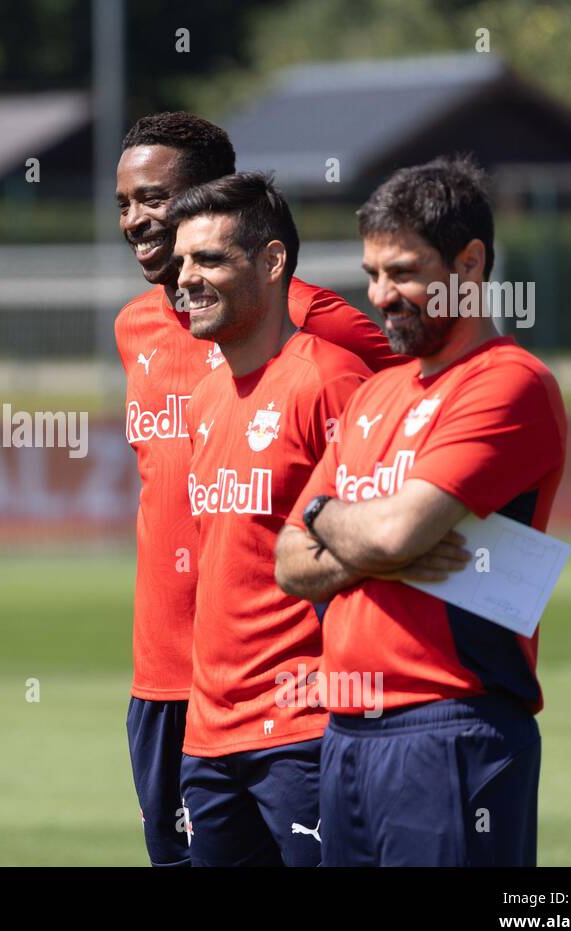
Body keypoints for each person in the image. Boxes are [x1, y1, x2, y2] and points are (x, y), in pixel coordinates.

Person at [113, 112, 405, 866]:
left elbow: (413, 420)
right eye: (125, 203)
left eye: (157, 198)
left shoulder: (319, 331)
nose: (141, 220)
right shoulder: (136, 328)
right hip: (171, 677)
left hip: (294, 689)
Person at [275, 156, 567, 866]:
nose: (381, 295)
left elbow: (396, 530)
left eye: (403, 272)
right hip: (346, 734)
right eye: (373, 274)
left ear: (469, 265)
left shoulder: (509, 383)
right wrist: (354, 533)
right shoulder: (376, 393)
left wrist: (333, 521)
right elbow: (287, 559)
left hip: (450, 727)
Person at [169, 172, 371, 866]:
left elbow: (373, 544)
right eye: (183, 260)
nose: (185, 278)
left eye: (210, 260)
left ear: (273, 262)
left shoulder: (330, 381)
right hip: (208, 734)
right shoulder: (202, 399)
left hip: (304, 729)